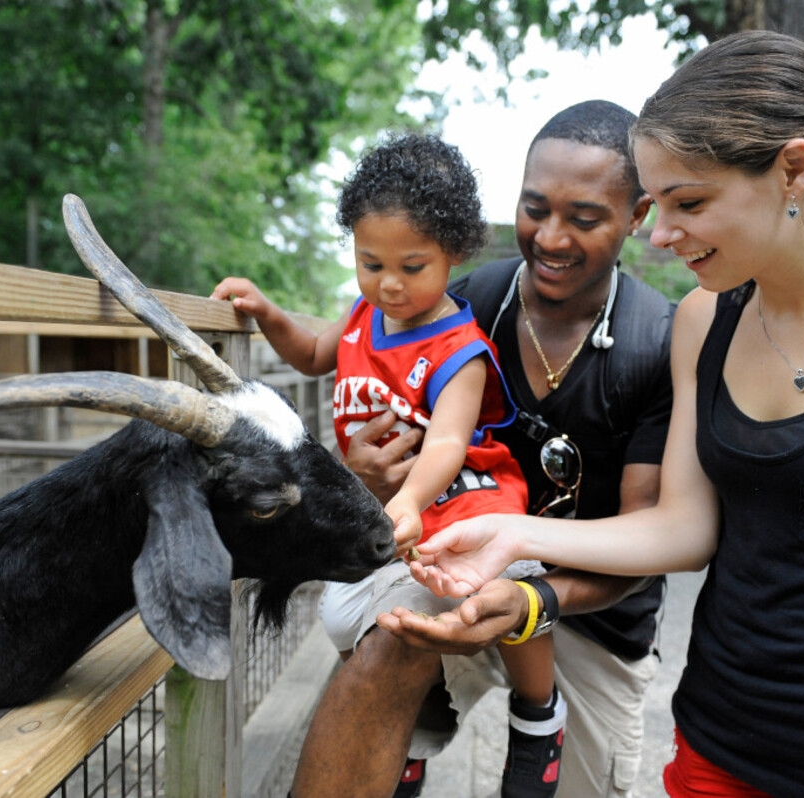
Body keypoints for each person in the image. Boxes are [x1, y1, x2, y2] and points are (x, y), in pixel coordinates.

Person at [407, 31, 804, 798]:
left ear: (794, 169)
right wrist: (513, 534)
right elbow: (684, 529)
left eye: (689, 203)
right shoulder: (703, 318)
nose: (657, 234)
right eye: (657, 204)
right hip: (715, 747)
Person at [293, 100, 675, 798]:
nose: (551, 237)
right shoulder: (459, 303)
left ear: (637, 215)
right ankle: (403, 742)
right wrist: (366, 478)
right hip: (454, 568)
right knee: (385, 642)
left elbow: (650, 540)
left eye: (584, 218)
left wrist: (532, 600)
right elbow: (377, 411)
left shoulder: (658, 344)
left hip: (588, 611)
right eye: (535, 209)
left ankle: (538, 724)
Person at [211, 132, 569, 797]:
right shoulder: (361, 316)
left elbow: (448, 443)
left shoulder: (458, 349)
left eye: (412, 266)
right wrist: (265, 314)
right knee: (357, 617)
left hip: (462, 491)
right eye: (370, 262)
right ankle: (402, 733)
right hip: (388, 503)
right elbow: (311, 353)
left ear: (454, 253)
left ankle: (537, 711)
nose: (389, 283)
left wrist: (408, 500)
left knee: (513, 572)